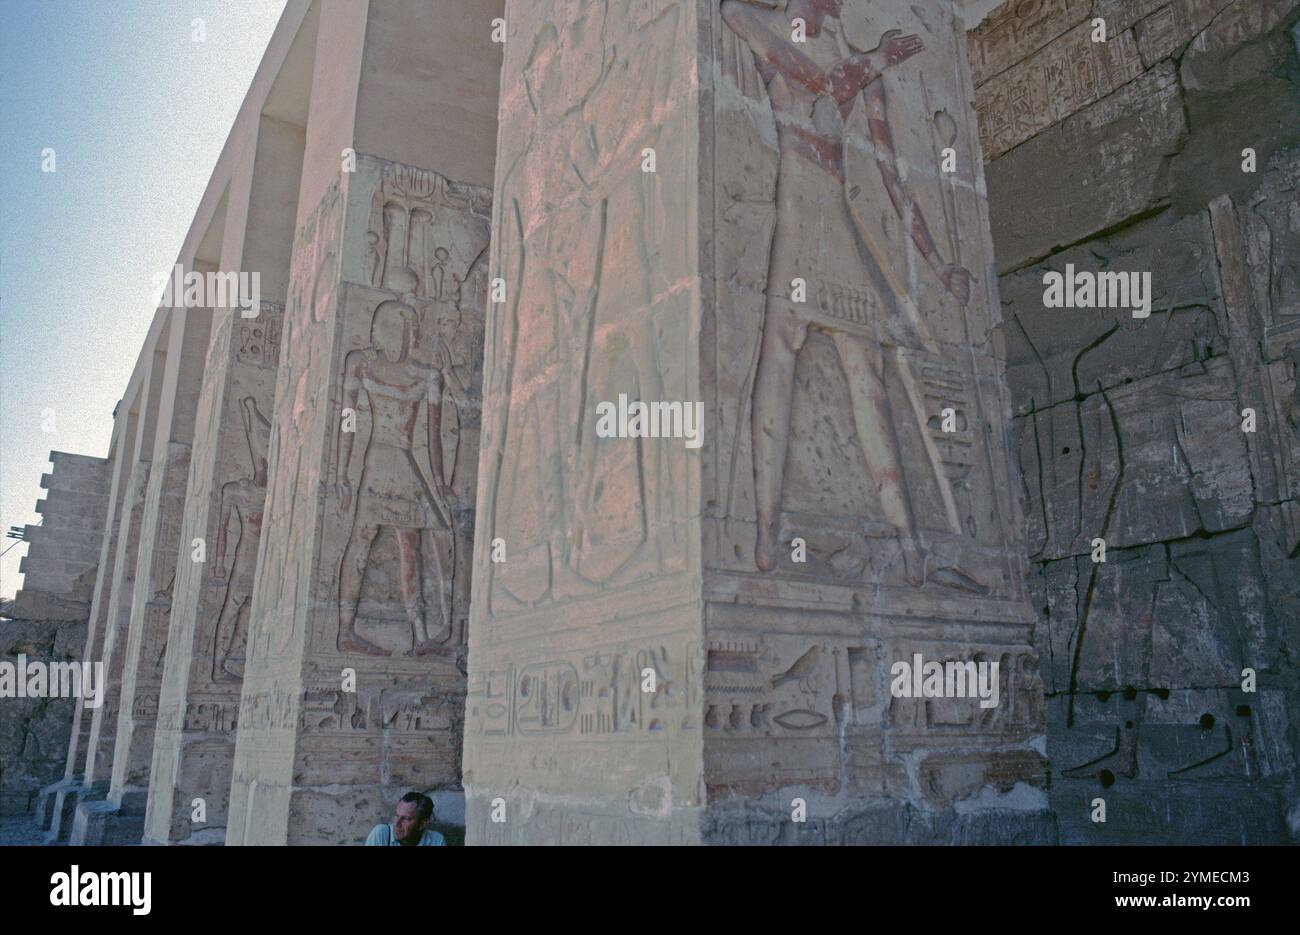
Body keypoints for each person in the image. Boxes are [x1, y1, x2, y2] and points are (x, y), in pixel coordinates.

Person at [365, 792, 446, 846]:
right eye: (397, 815)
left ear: (422, 824)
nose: (396, 823)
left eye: (406, 818)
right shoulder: (381, 834)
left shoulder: (436, 841)